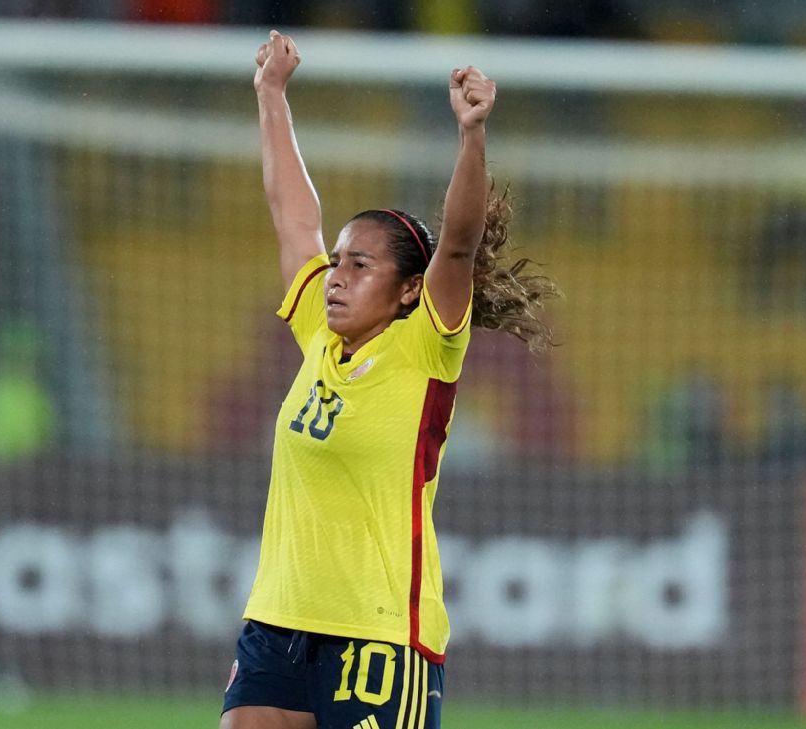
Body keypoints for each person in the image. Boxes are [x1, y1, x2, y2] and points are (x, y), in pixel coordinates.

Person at [220, 30, 557, 729]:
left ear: (409, 290)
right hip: (277, 620)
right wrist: (271, 95)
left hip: (380, 636)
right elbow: (294, 218)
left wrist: (471, 136)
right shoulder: (318, 332)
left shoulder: (425, 349)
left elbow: (459, 243)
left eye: (359, 265)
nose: (335, 277)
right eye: (336, 261)